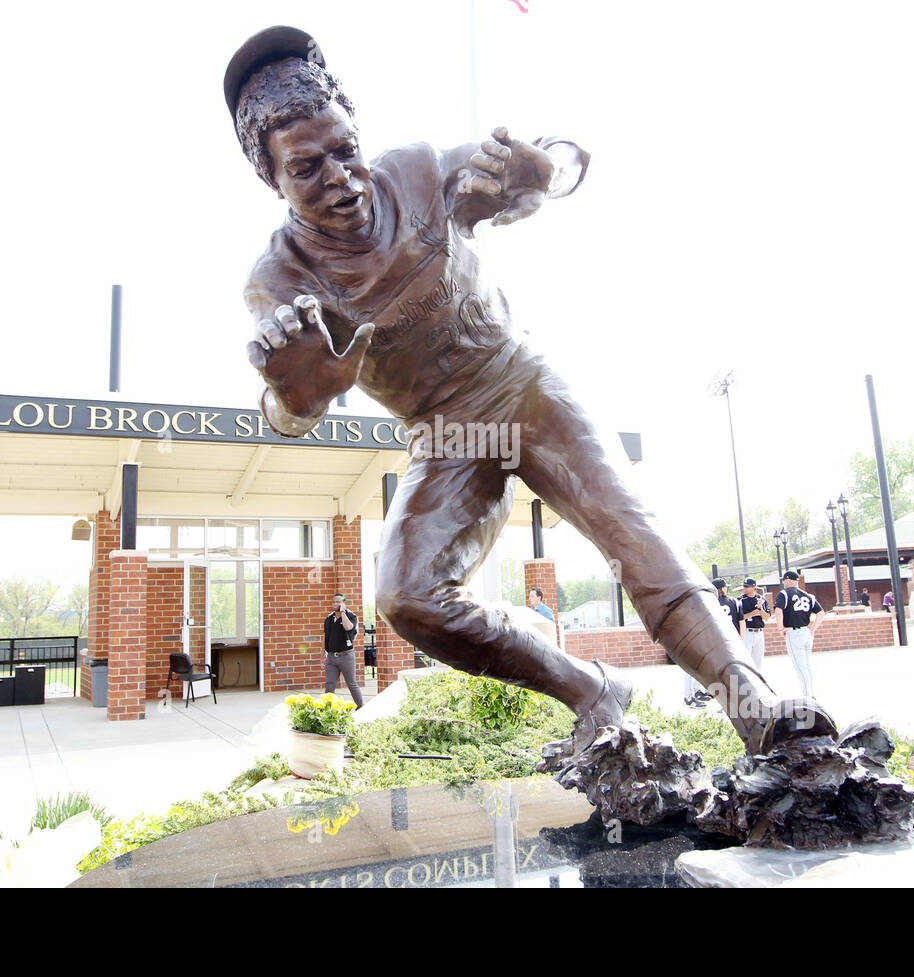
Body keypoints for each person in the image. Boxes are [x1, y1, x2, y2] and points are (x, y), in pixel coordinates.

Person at [227, 27, 835, 755]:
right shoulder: (280, 278)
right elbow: (283, 410)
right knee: (406, 597)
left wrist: (537, 168)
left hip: (520, 384)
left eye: (345, 151)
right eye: (308, 170)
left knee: (626, 524)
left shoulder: (416, 169)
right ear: (272, 180)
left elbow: (566, 160)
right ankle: (592, 690)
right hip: (447, 436)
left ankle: (753, 700)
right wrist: (297, 396)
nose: (343, 180)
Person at [686, 579, 742, 707]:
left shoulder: (706, 601)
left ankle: (697, 691)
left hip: (706, 637)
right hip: (703, 638)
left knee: (700, 667)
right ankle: (689, 695)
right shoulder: (712, 601)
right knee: (693, 667)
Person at [771, 570, 824, 698]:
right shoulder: (808, 595)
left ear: (788, 580)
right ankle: (810, 693)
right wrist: (813, 630)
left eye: (784, 580)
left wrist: (780, 629)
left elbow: (778, 611)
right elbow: (821, 613)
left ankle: (807, 696)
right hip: (806, 631)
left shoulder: (784, 593)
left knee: (800, 667)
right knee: (807, 666)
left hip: (794, 633)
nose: (783, 583)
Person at [323, 593, 364, 708]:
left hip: (346, 656)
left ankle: (360, 707)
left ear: (343, 603)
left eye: (338, 601)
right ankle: (327, 710)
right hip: (331, 657)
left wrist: (342, 612)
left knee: (351, 683)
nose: (335, 604)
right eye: (334, 601)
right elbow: (326, 637)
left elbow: (348, 627)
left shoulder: (351, 616)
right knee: (330, 684)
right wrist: (323, 656)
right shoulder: (329, 619)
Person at [737, 577, 771, 669]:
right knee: (746, 660)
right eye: (744, 586)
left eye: (747, 586)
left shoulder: (761, 599)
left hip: (759, 632)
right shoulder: (740, 600)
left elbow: (767, 617)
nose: (745, 588)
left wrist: (760, 609)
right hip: (746, 632)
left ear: (754, 587)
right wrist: (752, 613)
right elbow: (738, 618)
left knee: (758, 662)